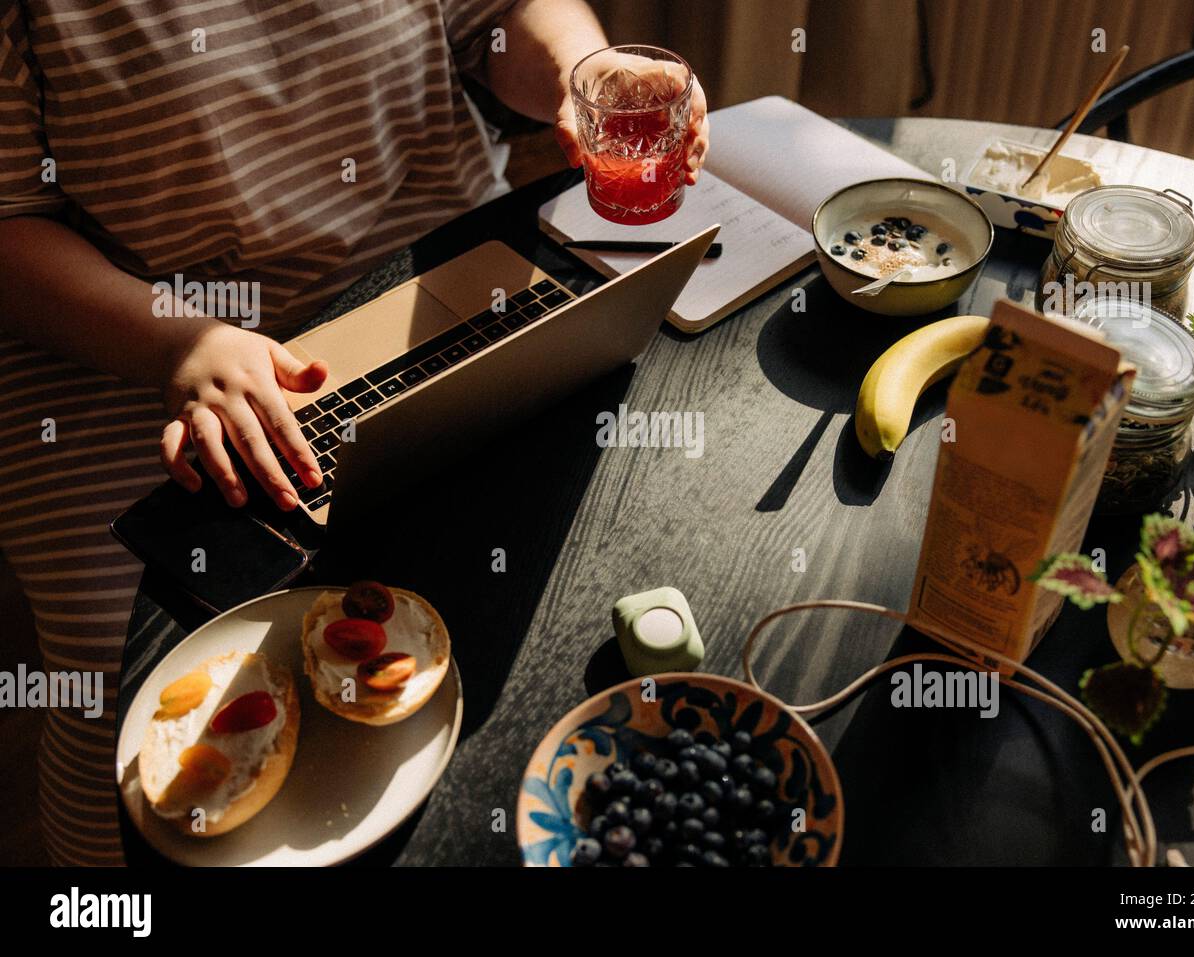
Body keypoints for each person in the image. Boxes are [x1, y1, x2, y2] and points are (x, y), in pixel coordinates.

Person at [0, 0, 708, 866]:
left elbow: (503, 17)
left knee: (544, 541)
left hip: (426, 265)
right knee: (132, 687)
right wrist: (178, 343)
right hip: (129, 335)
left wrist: (581, 70)